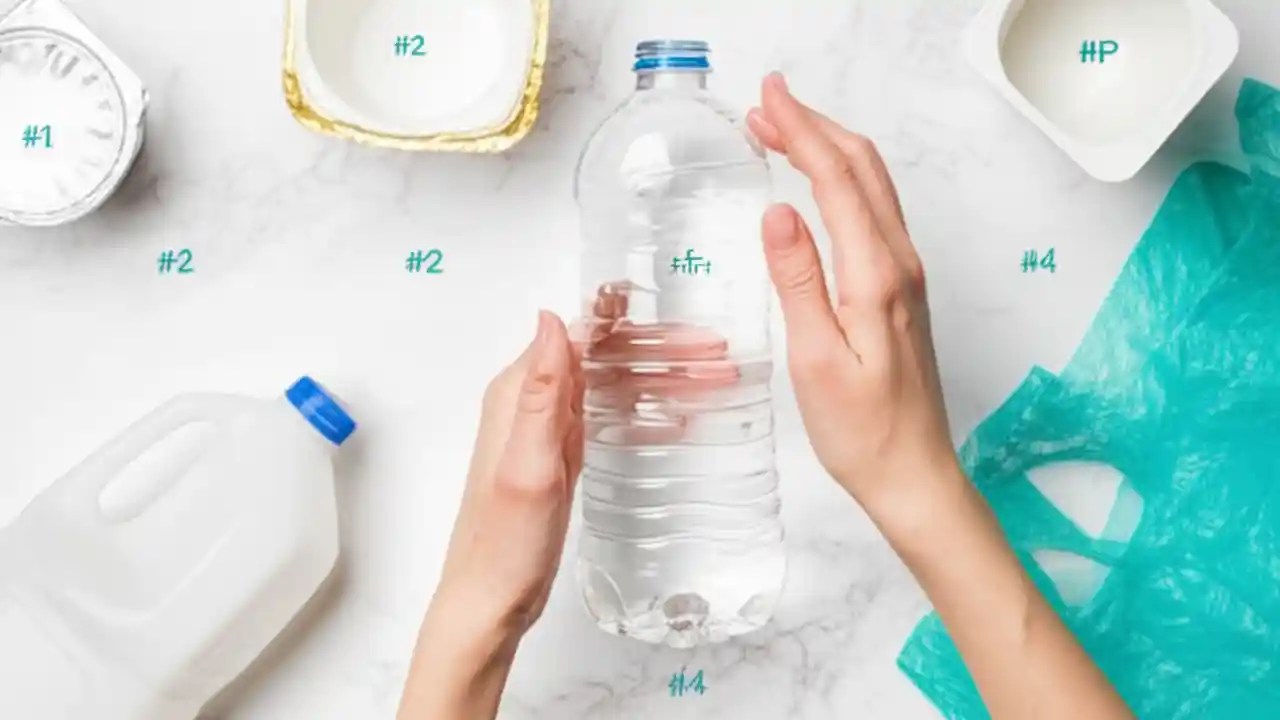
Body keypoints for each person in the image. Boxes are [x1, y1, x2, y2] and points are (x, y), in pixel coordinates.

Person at [396, 73, 1134, 720]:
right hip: (670, 552)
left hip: (706, 555)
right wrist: (918, 483)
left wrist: (474, 614)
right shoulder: (634, 148)